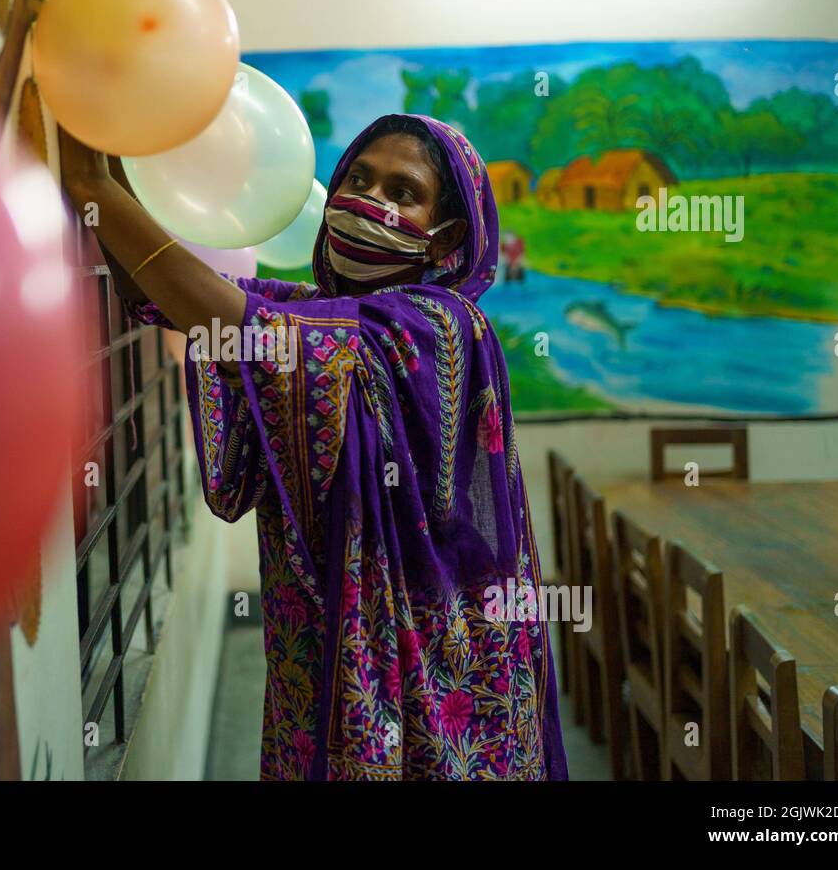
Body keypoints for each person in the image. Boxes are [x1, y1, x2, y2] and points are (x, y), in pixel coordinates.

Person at [60, 113, 568, 781]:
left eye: (402, 192)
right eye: (358, 178)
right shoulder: (324, 310)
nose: (371, 202)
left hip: (440, 668)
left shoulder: (439, 324)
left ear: (445, 236)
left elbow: (246, 331)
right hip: (322, 643)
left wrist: (93, 183)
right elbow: (166, 296)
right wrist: (108, 149)